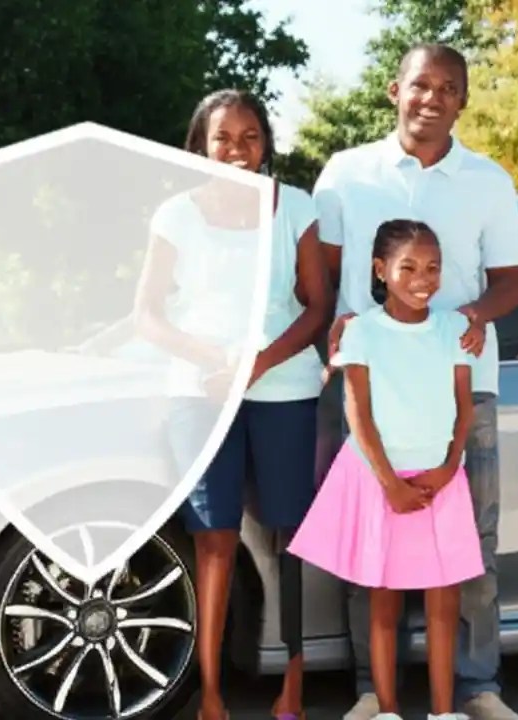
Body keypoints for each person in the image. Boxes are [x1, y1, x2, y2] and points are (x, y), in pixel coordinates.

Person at [311, 44, 518, 720]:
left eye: (448, 88)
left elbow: (512, 283)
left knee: (471, 549)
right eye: (420, 85)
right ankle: (374, 695)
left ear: (463, 100)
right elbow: (317, 276)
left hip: (462, 387)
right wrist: (331, 333)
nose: (432, 98)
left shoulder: (488, 180)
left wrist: (471, 314)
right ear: (393, 90)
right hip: (369, 389)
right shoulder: (346, 174)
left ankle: (475, 690)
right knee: (367, 542)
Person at [134, 88, 333, 720]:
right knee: (214, 538)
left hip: (285, 389)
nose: (238, 149)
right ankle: (211, 695)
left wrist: (258, 363)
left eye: (251, 137)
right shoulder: (175, 215)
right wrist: (210, 361)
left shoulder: (295, 207)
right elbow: (147, 314)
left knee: (289, 535)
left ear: (266, 144)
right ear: (200, 145)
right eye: (224, 137)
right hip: (200, 393)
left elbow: (317, 305)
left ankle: (292, 688)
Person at [289, 219, 485, 720]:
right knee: (384, 598)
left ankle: (444, 713)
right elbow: (358, 414)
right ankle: (389, 711)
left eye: (433, 267)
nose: (423, 278)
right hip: (382, 480)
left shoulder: (453, 330)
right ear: (381, 269)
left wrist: (449, 465)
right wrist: (391, 485)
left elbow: (465, 408)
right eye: (409, 267)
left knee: (445, 602)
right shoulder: (363, 333)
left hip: (442, 479)